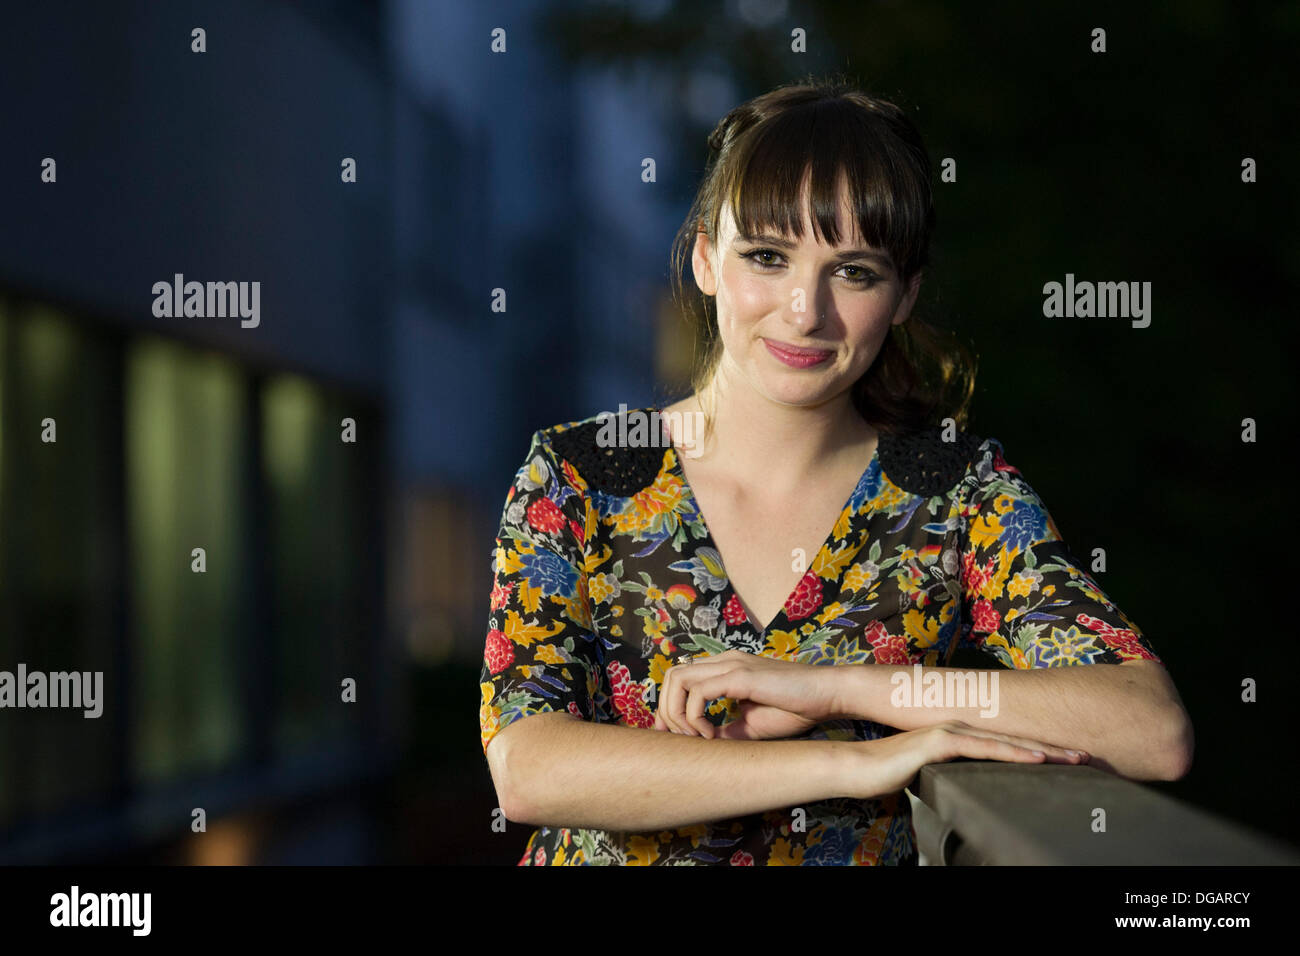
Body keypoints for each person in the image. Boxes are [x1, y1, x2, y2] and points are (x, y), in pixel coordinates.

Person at [477, 78, 1193, 866]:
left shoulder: (957, 495)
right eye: (767, 257)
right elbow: (528, 767)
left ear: (903, 293)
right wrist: (854, 760)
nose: (804, 311)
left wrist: (835, 688)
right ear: (707, 260)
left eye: (854, 272)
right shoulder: (582, 476)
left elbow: (1149, 728)